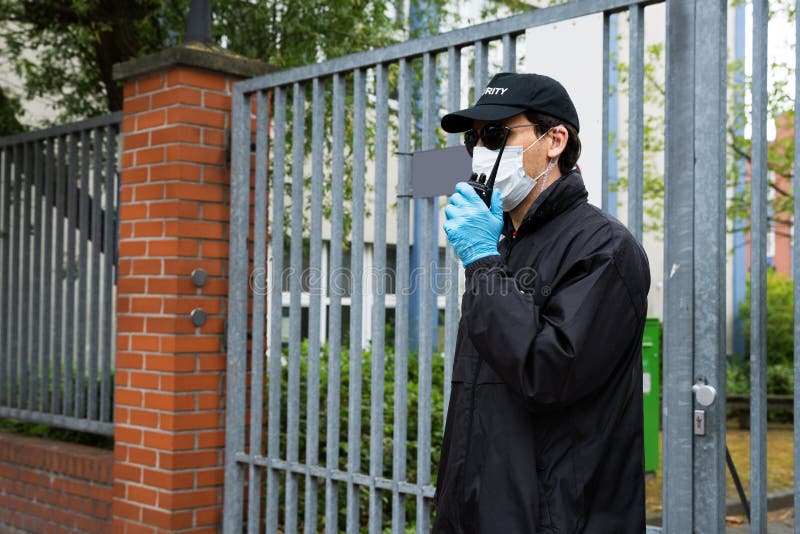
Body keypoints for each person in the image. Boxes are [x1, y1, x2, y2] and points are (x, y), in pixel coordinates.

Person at [434, 72, 651, 533]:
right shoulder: (500, 245)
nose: (480, 151)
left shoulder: (605, 249)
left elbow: (547, 371)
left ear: (554, 140)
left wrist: (483, 263)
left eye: (496, 134)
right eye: (473, 139)